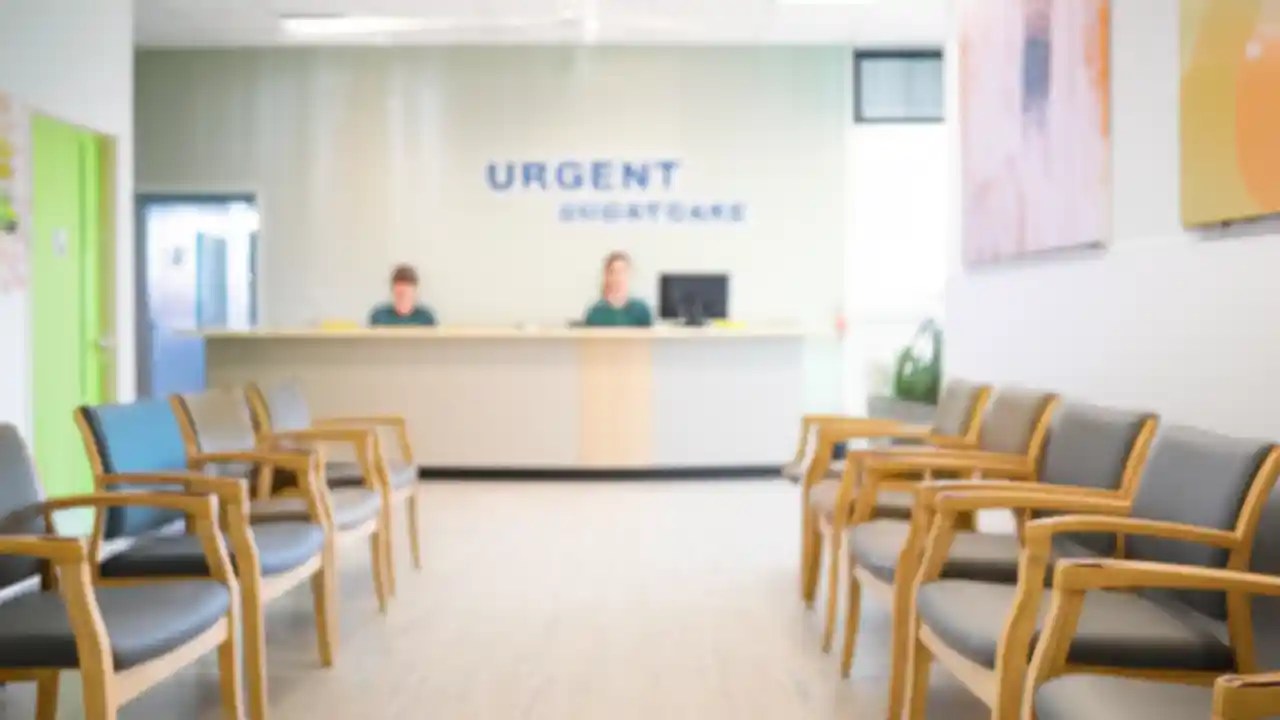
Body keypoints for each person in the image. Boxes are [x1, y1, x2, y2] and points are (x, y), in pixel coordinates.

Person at [583, 251, 653, 327]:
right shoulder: (596, 312)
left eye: (622, 272)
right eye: (612, 272)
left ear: (629, 275)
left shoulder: (641, 310)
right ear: (606, 276)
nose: (617, 277)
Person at [368, 264, 437, 327]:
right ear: (392, 292)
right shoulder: (379, 316)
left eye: (407, 295)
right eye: (400, 295)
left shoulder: (426, 318)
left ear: (415, 293)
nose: (403, 300)